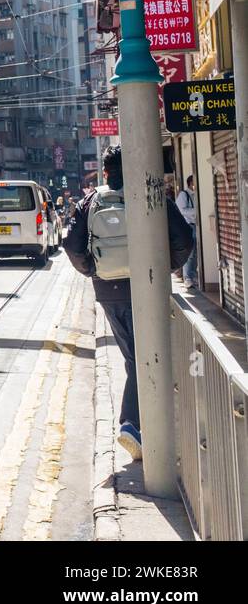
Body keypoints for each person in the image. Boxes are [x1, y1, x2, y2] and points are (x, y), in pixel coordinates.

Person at [63, 146, 193, 462]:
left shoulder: (90, 201)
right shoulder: (151, 194)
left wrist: (94, 270)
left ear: (106, 173)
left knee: (136, 356)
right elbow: (185, 240)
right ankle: (133, 425)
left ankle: (140, 427)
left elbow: (71, 244)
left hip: (110, 291)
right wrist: (165, 267)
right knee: (143, 356)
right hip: (147, 286)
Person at [175, 174, 198, 284]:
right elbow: (181, 210)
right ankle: (188, 277)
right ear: (191, 183)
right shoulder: (184, 195)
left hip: (196, 225)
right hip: (189, 225)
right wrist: (196, 211)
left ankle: (193, 275)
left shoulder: (195, 194)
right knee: (190, 252)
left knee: (196, 252)